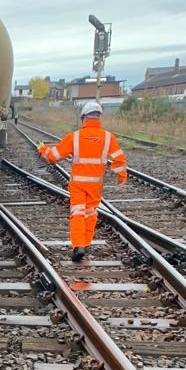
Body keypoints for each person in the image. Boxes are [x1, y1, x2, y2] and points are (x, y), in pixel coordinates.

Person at [36, 101, 128, 261]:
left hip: (78, 184)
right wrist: (121, 177)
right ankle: (85, 244)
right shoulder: (108, 138)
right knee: (91, 213)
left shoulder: (75, 137)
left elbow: (53, 157)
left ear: (84, 117)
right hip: (95, 185)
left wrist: (43, 149)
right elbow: (119, 159)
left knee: (77, 213)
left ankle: (78, 246)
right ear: (99, 117)